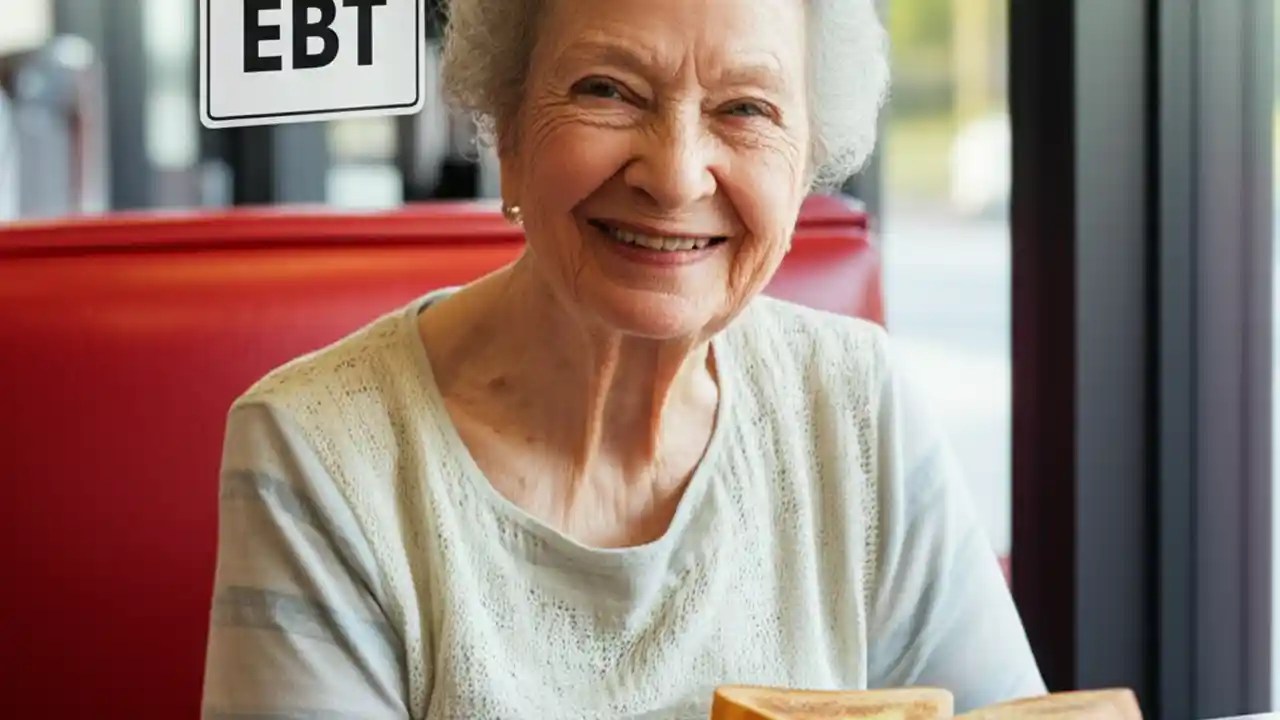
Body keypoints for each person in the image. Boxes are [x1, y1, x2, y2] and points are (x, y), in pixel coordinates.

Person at [200, 0, 1046, 717]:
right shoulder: (322, 450)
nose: (676, 176)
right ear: (509, 131)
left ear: (806, 162)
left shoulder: (860, 408)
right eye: (607, 90)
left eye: (746, 109)